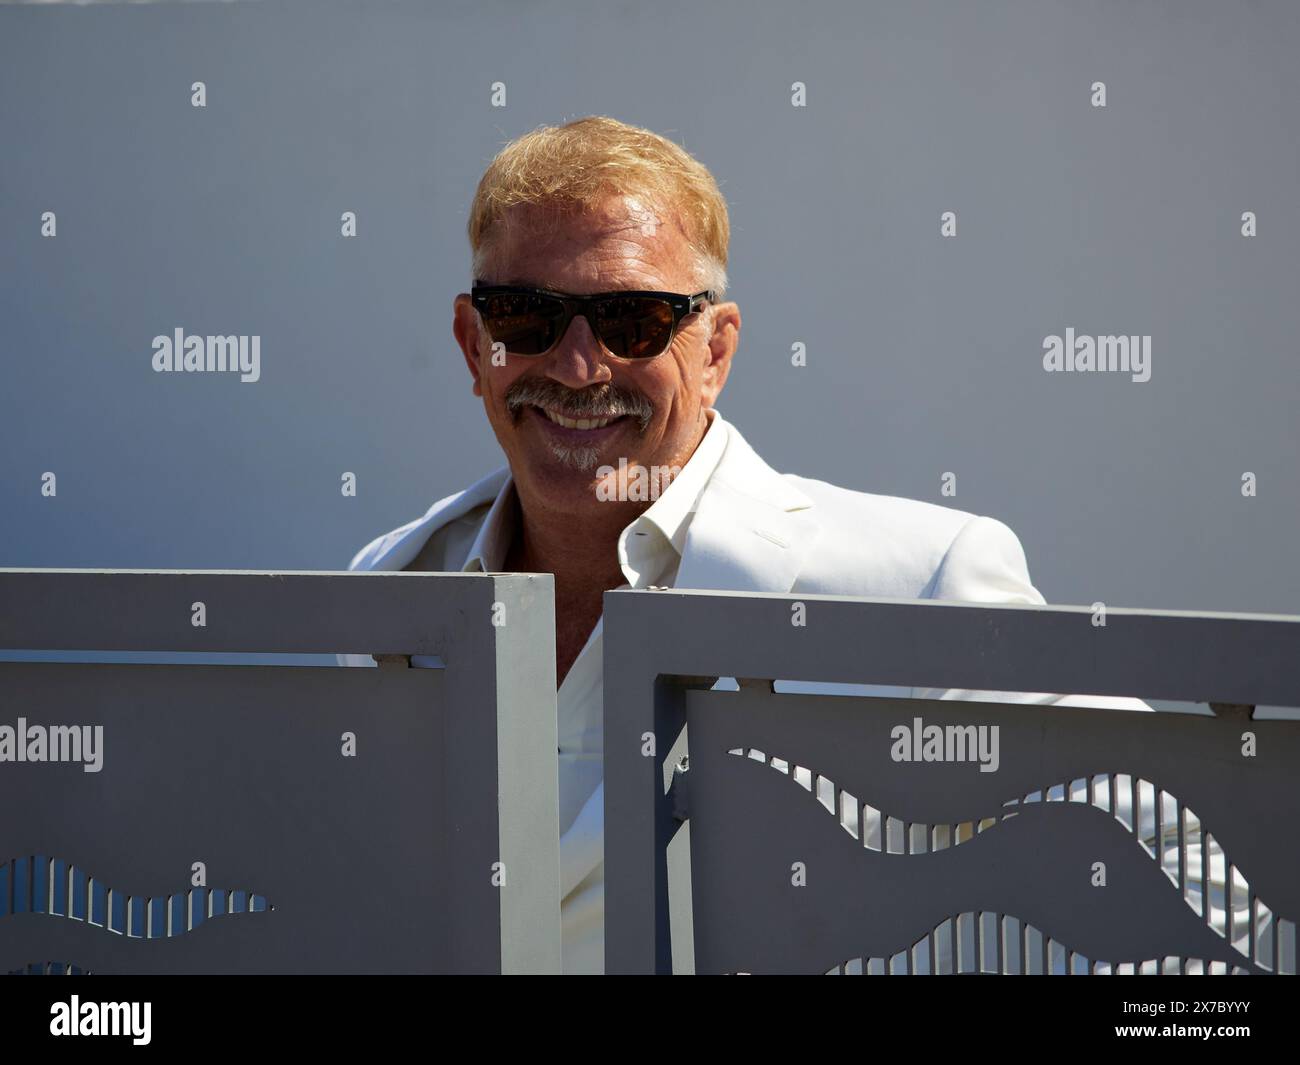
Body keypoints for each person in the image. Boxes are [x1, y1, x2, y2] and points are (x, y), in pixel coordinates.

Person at [344, 115, 1157, 974]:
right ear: (477, 345)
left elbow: (1182, 857)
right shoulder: (392, 588)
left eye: (633, 320)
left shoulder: (917, 582)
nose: (579, 365)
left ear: (716, 352)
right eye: (526, 316)